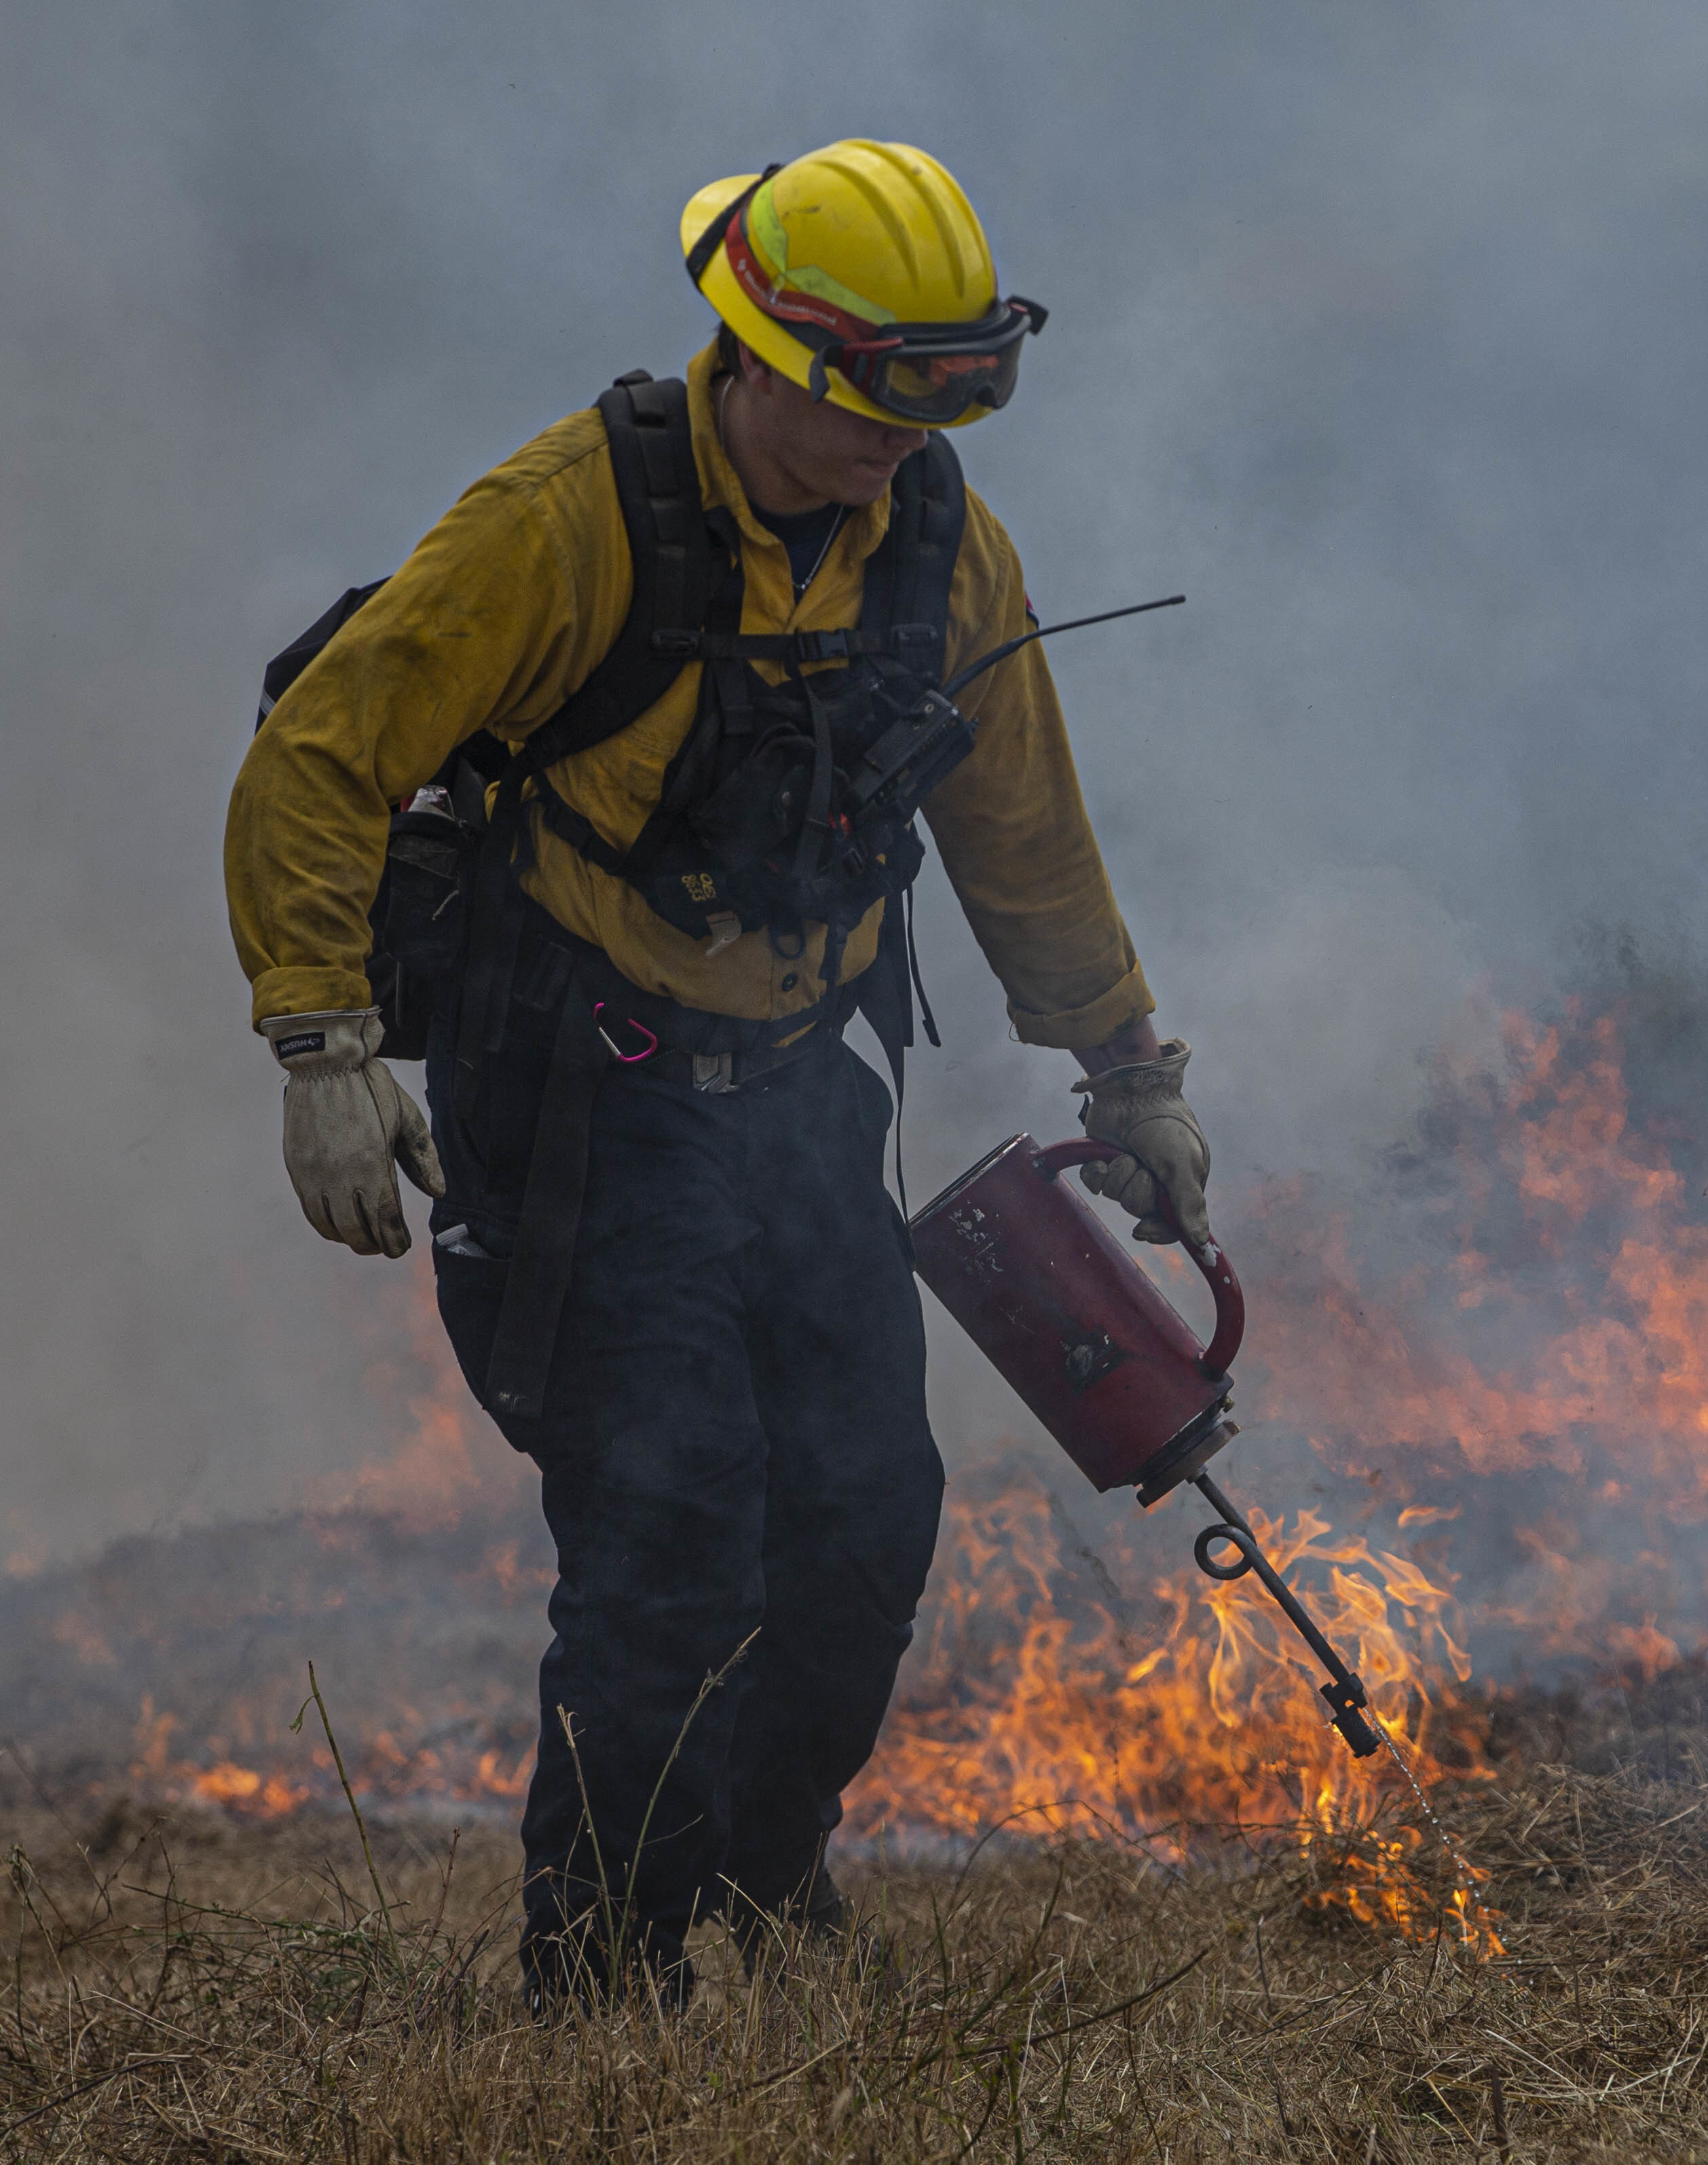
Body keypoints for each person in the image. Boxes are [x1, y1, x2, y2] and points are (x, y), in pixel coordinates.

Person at [222, 138, 1210, 2005]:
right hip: (585, 1095)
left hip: (801, 1090)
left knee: (863, 1514)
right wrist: (320, 1045)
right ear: (759, 359)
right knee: (672, 1529)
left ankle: (760, 1882)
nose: (908, 444)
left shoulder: (938, 542)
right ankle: (603, 1973)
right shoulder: (567, 522)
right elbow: (323, 757)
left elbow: (1024, 830)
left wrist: (1128, 1072)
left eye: (949, 399)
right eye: (876, 402)